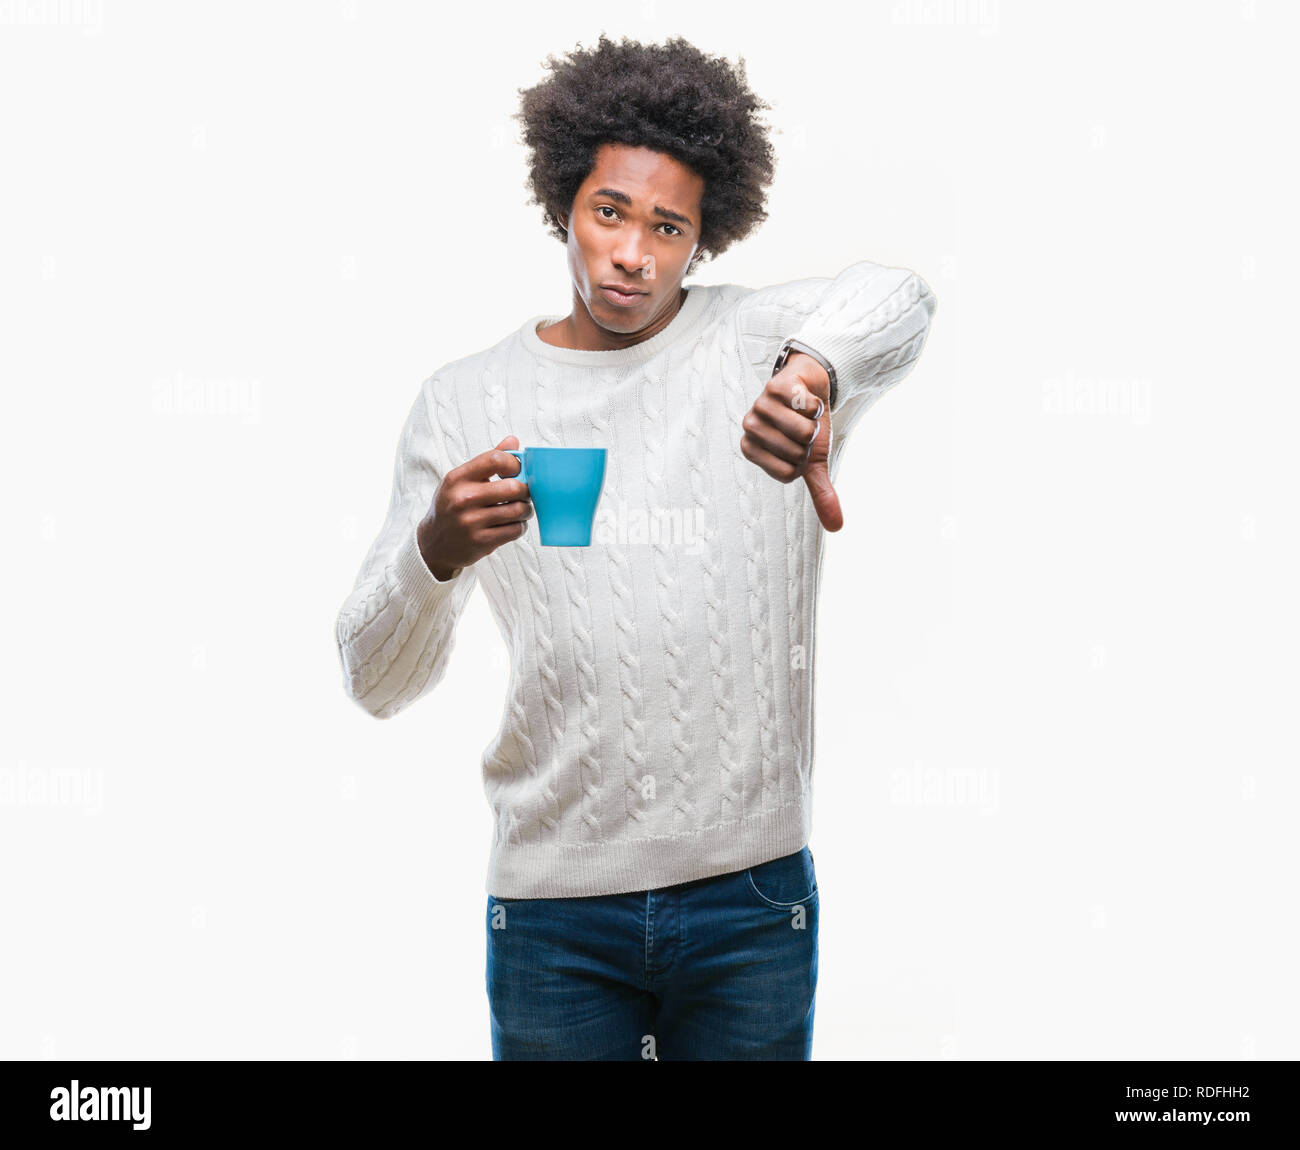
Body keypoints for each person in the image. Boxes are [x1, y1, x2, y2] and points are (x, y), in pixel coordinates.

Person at [334, 33, 938, 1060]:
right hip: (553, 911)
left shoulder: (753, 345)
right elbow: (371, 678)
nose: (632, 252)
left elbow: (901, 296)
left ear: (702, 242)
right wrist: (432, 551)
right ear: (563, 202)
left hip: (751, 896)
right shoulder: (465, 399)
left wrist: (817, 372)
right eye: (609, 212)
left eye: (669, 227)